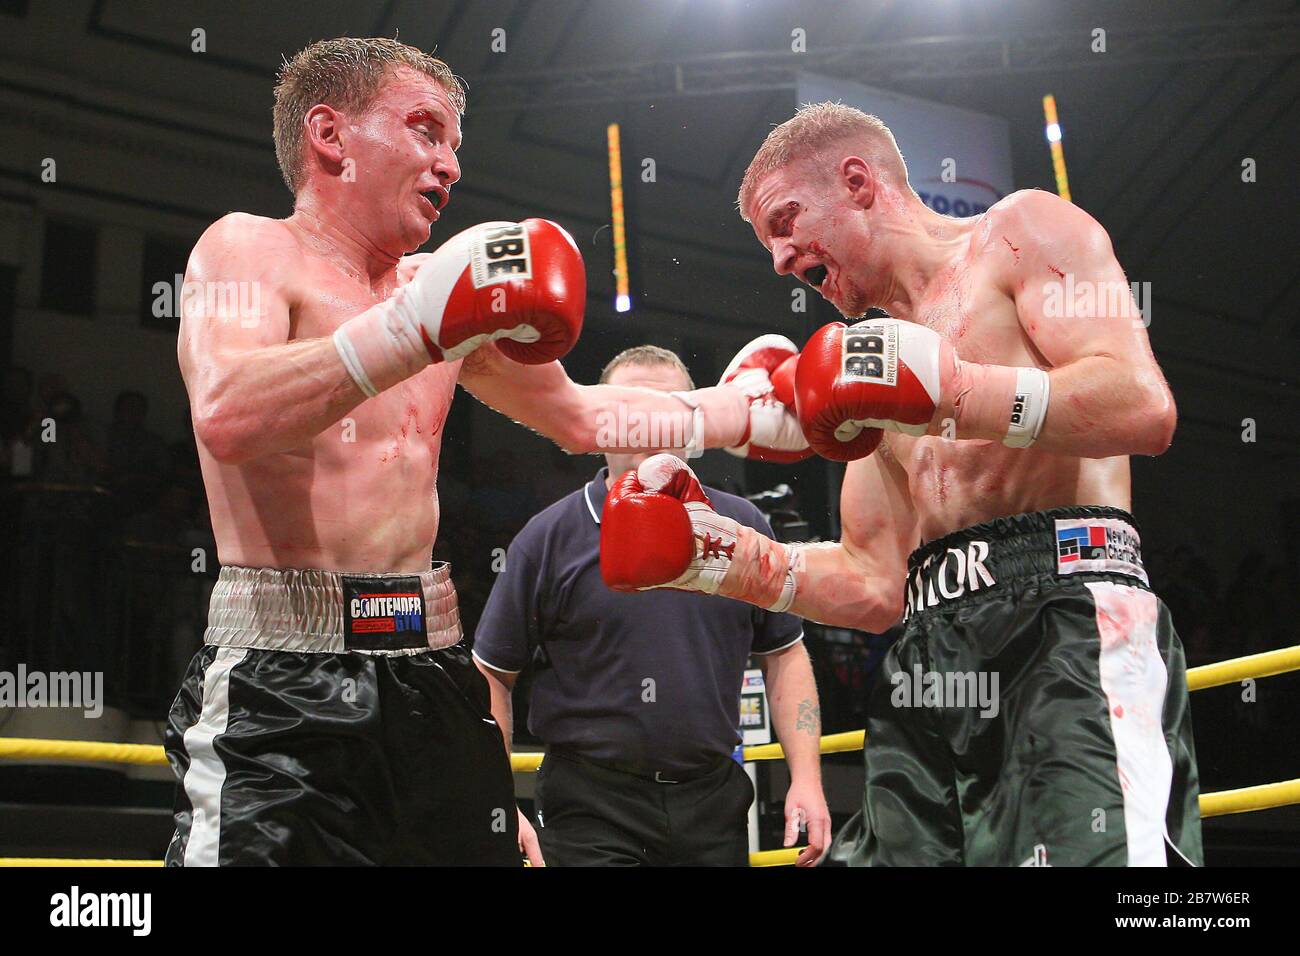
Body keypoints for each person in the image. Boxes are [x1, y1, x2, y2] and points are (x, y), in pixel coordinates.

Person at [164, 36, 805, 866]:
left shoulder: (438, 290)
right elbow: (226, 411)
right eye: (426, 131)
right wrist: (411, 327)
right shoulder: (248, 248)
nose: (450, 166)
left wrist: (736, 413)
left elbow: (581, 418)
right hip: (282, 675)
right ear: (331, 136)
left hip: (429, 667)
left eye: (455, 146)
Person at [601, 103, 1202, 867]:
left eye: (787, 222)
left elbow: (1142, 407)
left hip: (1068, 623)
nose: (782, 259)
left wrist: (953, 393)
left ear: (858, 182)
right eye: (769, 245)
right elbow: (876, 580)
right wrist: (719, 558)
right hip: (930, 652)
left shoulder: (1020, 233)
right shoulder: (865, 365)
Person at [474, 345, 830, 867]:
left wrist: (807, 777)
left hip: (712, 799)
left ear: (694, 422)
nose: (650, 427)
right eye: (633, 409)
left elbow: (786, 654)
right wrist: (499, 797)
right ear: (602, 424)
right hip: (591, 802)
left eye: (666, 411)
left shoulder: (741, 524)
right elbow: (492, 673)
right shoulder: (547, 537)